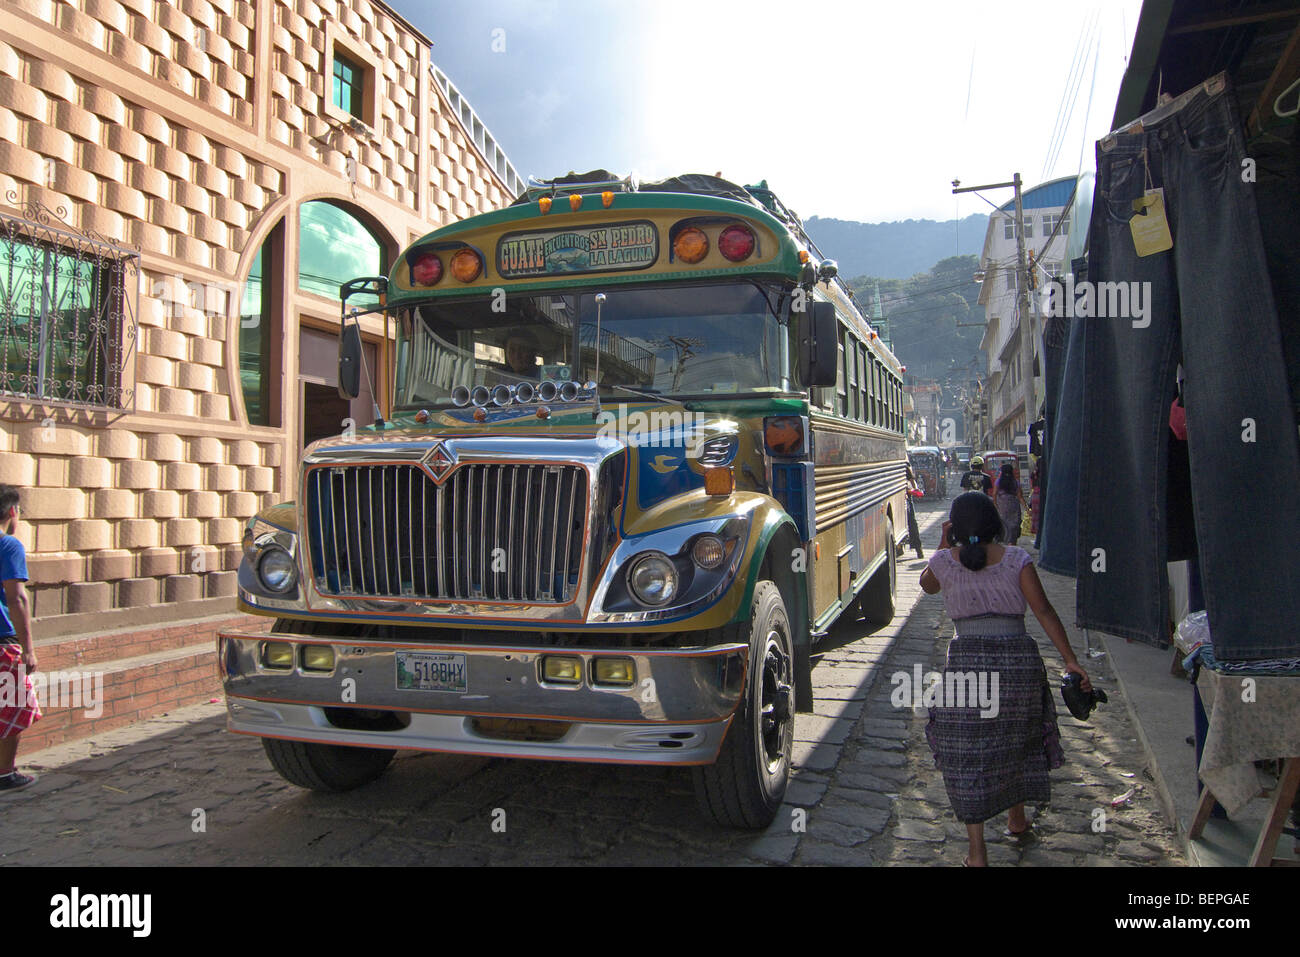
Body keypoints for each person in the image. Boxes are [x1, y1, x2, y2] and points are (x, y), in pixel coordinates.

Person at [919, 492, 1091, 867]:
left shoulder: (944, 563)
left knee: (971, 754)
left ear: (956, 528)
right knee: (1016, 739)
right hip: (1017, 663)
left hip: (966, 663)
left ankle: (977, 853)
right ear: (995, 523)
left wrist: (945, 544)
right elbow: (1043, 611)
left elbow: (926, 585)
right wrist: (1071, 660)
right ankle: (1016, 817)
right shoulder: (1016, 559)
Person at [0, 485, 39, 793]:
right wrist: (28, 649)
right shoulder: (9, 545)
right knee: (12, 704)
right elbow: (17, 599)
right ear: (12, 512)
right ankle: (4, 772)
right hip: (3, 640)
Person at [995, 463, 1027, 545]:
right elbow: (1020, 496)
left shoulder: (998, 482)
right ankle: (1012, 542)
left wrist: (996, 506)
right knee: (1014, 523)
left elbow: (994, 494)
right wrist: (1026, 508)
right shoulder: (1015, 482)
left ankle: (1004, 540)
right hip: (1014, 505)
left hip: (1002, 505)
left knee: (1004, 522)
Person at [904, 463, 924, 559]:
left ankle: (918, 548)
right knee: (912, 522)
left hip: (907, 496)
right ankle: (918, 549)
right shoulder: (905, 464)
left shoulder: (904, 465)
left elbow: (912, 480)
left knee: (912, 523)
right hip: (905, 496)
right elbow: (912, 480)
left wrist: (916, 489)